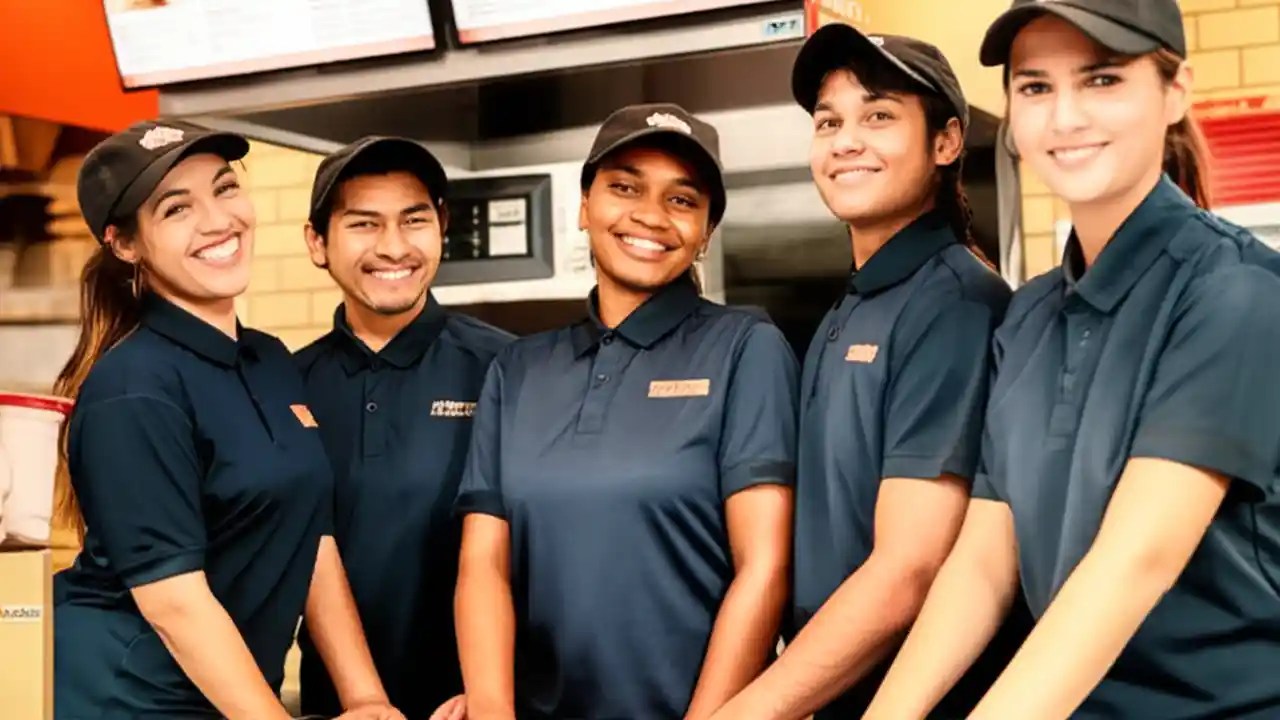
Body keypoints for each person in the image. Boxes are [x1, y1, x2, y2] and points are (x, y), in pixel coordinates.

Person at [865, 1, 1280, 718]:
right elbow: (985, 562)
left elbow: (1132, 564)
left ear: (1174, 91)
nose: (1064, 118)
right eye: (1034, 87)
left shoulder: (1234, 293)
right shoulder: (1027, 316)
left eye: (1102, 80)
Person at [710, 26, 1020, 720]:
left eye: (878, 115)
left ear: (945, 143)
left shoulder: (956, 303)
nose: (846, 140)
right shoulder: (858, 301)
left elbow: (909, 569)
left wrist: (748, 711)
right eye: (829, 121)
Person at [450, 103, 797, 719]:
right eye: (624, 187)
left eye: (682, 200)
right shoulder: (519, 370)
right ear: (584, 207)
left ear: (707, 230)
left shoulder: (746, 347)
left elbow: (764, 567)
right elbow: (484, 567)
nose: (650, 215)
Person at [51, 121, 403, 720]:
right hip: (133, 699)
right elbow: (174, 603)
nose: (218, 221)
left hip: (229, 697)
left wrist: (366, 697)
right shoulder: (133, 387)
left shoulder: (268, 359)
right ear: (124, 244)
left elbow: (310, 537)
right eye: (176, 208)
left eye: (224, 189)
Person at [294, 136, 513, 720]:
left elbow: (551, 552)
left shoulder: (508, 370)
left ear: (441, 226)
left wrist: (494, 692)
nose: (393, 247)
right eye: (364, 224)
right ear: (318, 242)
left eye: (413, 220)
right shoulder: (284, 388)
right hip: (337, 709)